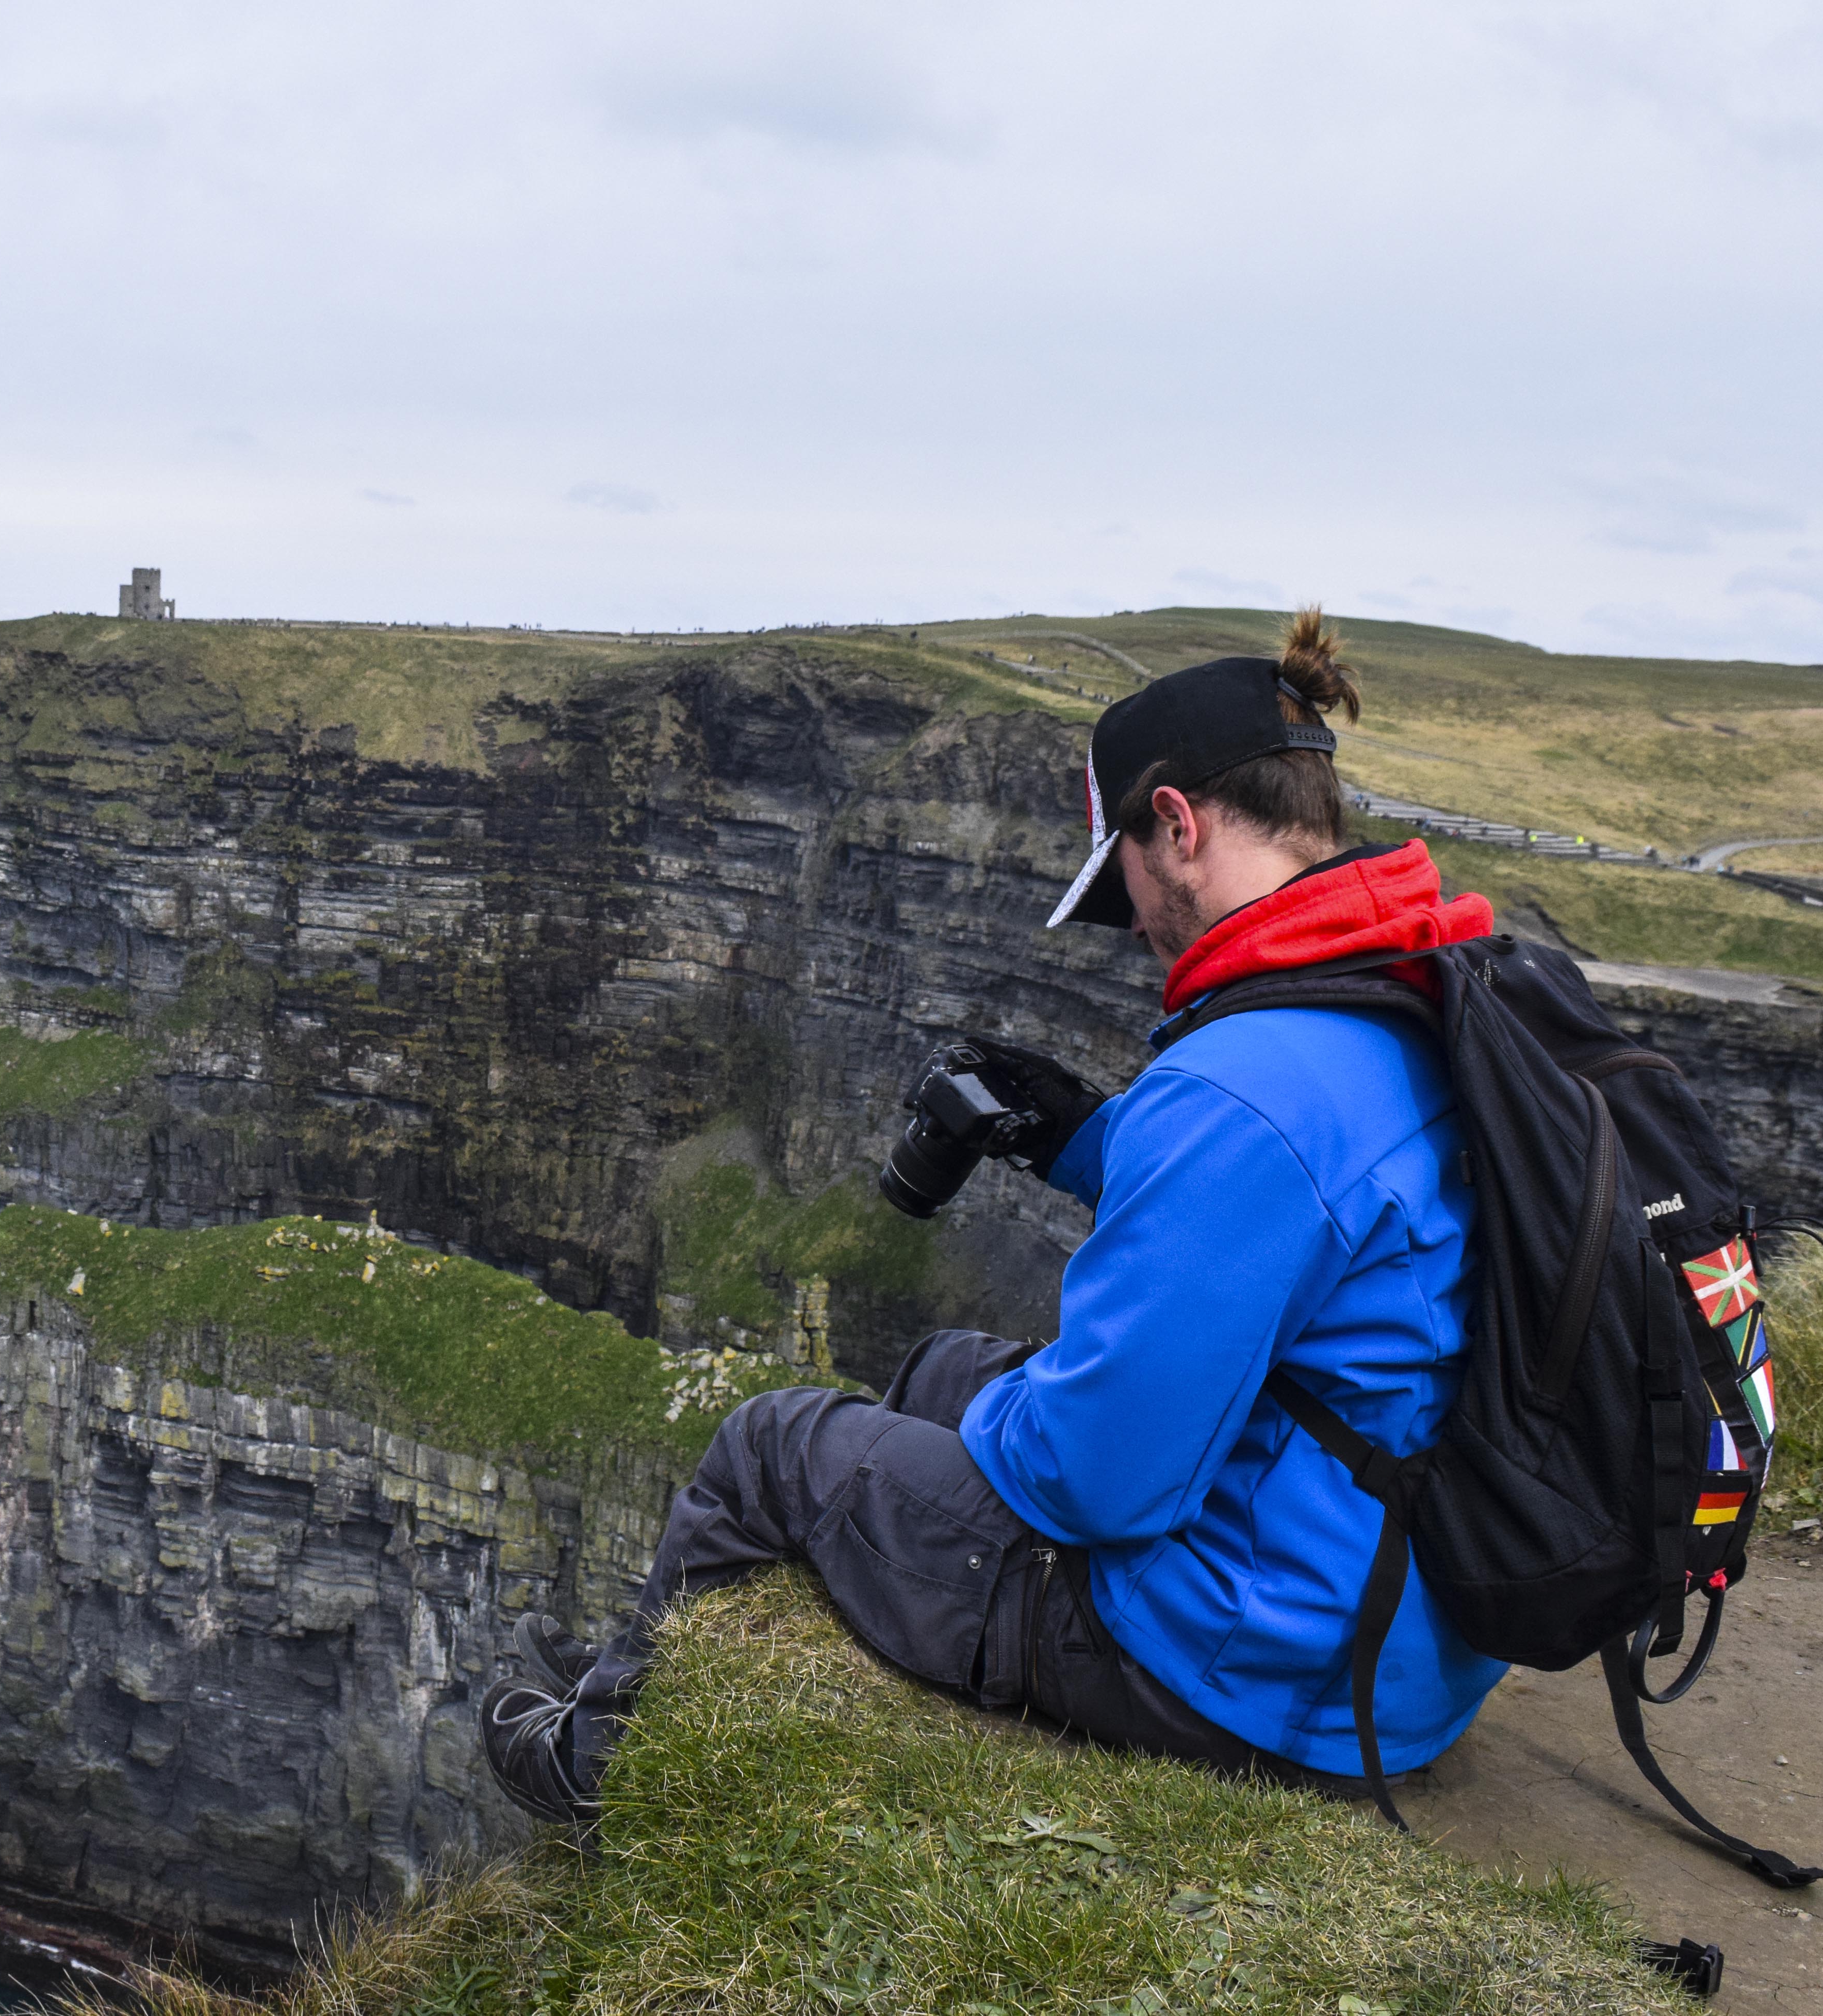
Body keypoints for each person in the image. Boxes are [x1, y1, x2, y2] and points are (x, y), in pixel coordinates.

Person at [482, 610, 1505, 1821]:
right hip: (1387, 1608)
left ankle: (599, 1767)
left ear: (1174, 823)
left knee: (767, 1446)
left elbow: (1094, 1482)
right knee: (940, 1366)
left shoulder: (1242, 1090)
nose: (1131, 929)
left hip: (1257, 1674)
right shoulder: (1408, 989)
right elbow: (1322, 1206)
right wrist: (1082, 1135)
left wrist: (1024, 1403)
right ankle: (629, 1670)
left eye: (1121, 888)